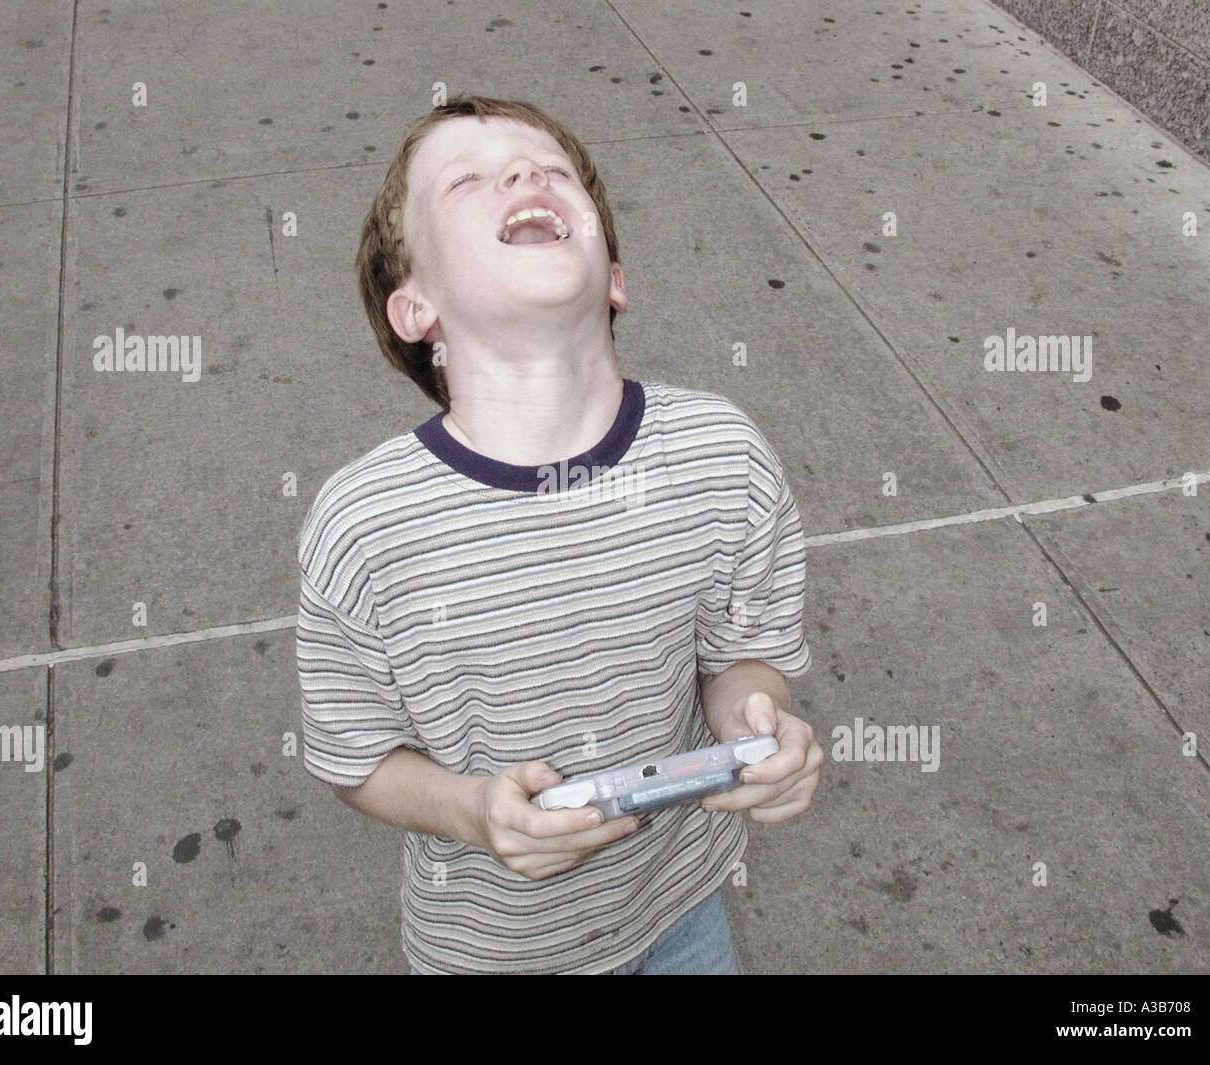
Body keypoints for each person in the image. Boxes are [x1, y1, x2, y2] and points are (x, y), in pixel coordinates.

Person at [296, 95, 825, 974]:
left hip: (680, 906)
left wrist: (757, 726)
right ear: (414, 308)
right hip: (493, 949)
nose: (520, 172)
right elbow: (357, 757)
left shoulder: (721, 453)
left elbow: (741, 655)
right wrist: (473, 812)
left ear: (614, 277)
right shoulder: (364, 525)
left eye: (550, 168)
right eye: (466, 179)